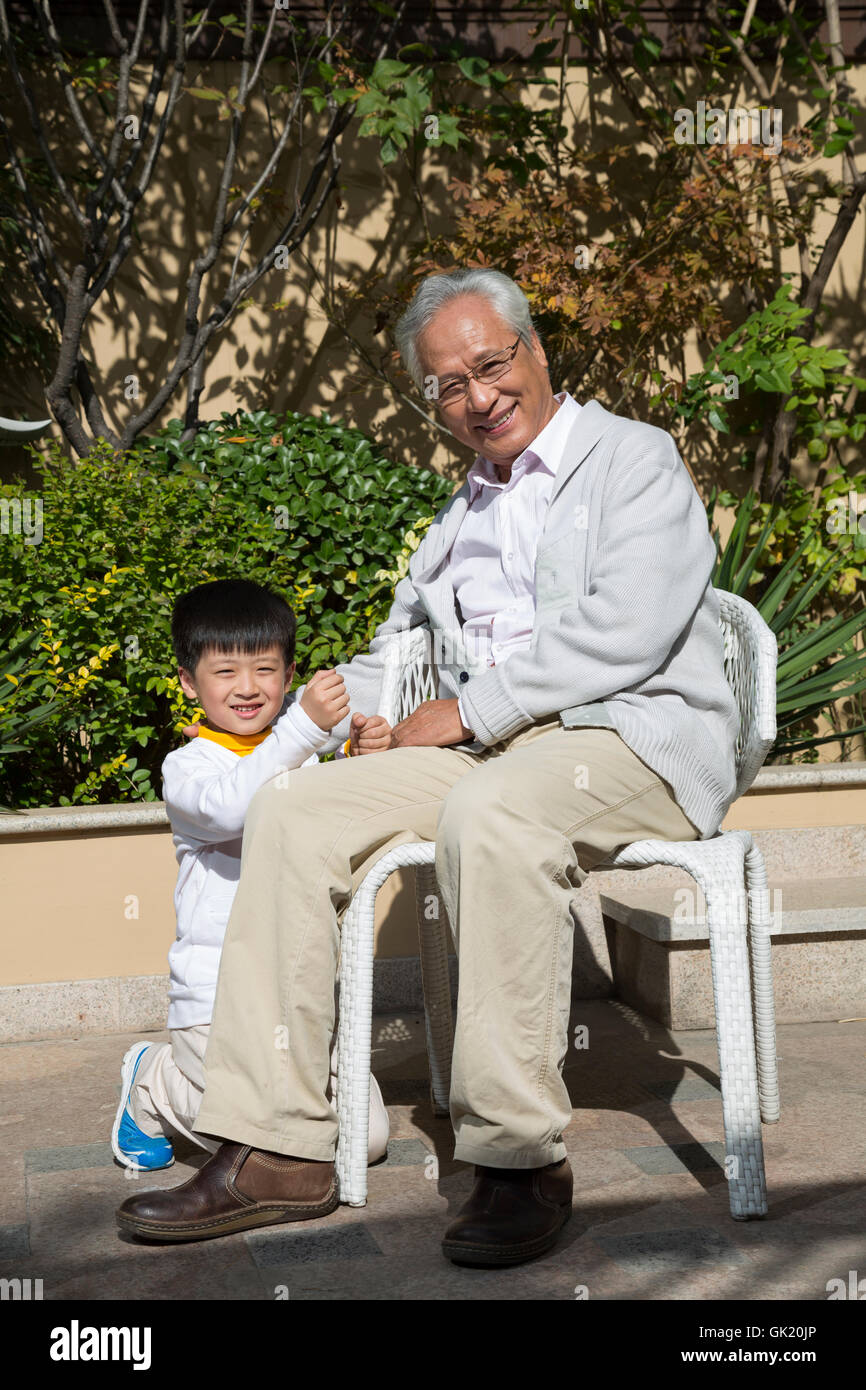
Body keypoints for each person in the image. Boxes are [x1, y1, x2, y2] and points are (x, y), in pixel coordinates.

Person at [117, 268, 739, 1267]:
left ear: (535, 352)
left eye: (489, 365)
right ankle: (278, 1144)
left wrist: (460, 711)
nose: (476, 395)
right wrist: (350, 716)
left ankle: (516, 1159)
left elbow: (627, 628)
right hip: (493, 755)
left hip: (630, 738)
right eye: (447, 385)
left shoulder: (632, 458)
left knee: (491, 810)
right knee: (293, 809)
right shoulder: (461, 514)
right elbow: (395, 651)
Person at [111, 578, 391, 1173]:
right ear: (189, 681)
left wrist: (359, 760)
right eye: (225, 672)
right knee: (271, 1151)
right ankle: (156, 1080)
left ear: (288, 676)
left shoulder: (302, 753)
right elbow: (239, 806)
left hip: (301, 993)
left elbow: (337, 821)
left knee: (362, 1143)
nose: (247, 688)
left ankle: (249, 1105)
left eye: (265, 669)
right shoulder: (187, 769)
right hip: (216, 998)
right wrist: (305, 731)